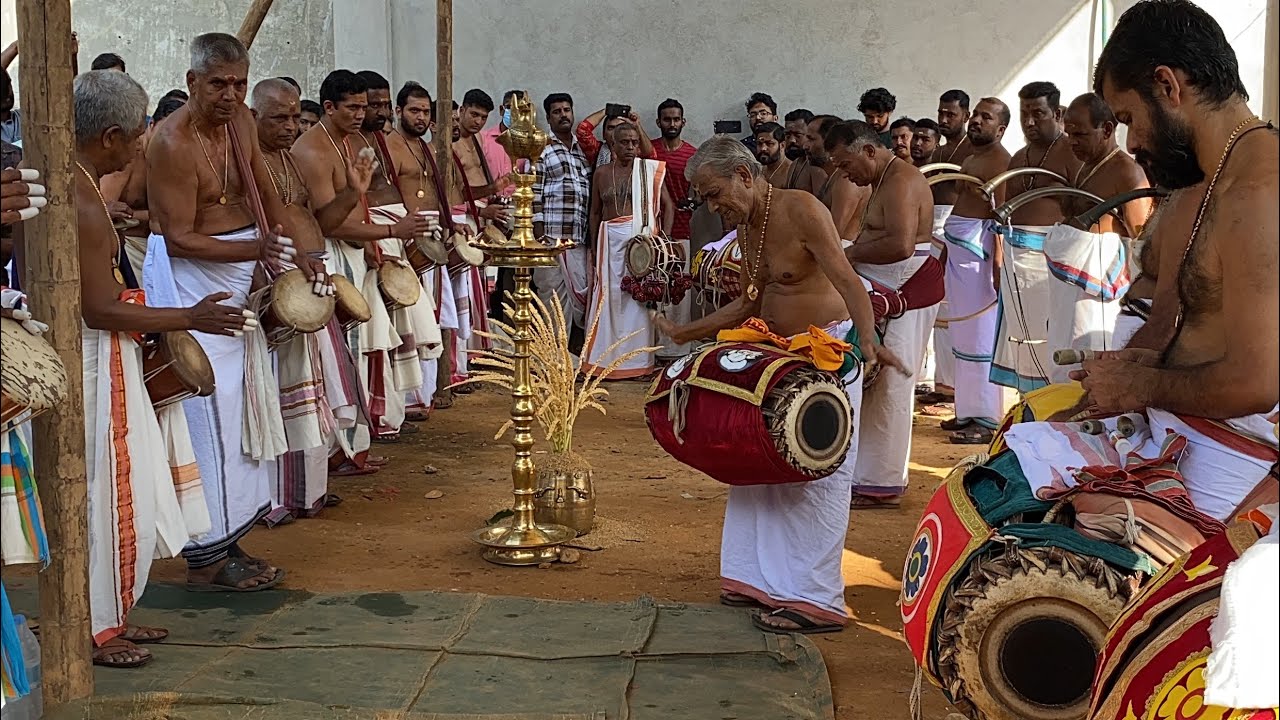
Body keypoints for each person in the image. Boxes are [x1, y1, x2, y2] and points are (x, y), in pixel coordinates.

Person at [1030, 0, 1277, 523]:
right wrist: (1146, 362)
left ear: (1168, 86)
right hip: (1187, 438)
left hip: (1233, 467)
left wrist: (1141, 386)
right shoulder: (1214, 180)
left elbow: (1259, 382)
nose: (1134, 141)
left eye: (1129, 119)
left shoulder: (1259, 191)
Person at [652, 136, 905, 634]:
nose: (712, 206)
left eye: (713, 193)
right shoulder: (748, 223)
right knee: (757, 461)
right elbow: (749, 301)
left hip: (825, 353)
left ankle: (815, 599)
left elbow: (851, 282)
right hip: (774, 354)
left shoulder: (803, 209)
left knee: (817, 474)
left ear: (745, 176)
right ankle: (754, 578)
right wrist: (685, 332)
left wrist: (868, 343)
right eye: (704, 198)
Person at [73, 70, 252, 665]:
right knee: (106, 491)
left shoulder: (84, 187)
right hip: (96, 364)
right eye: (142, 126)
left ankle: (113, 614)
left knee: (126, 488)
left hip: (108, 360)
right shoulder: (80, 197)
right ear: (112, 136)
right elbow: (97, 308)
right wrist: (188, 316)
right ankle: (94, 627)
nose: (147, 136)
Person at [143, 32, 301, 590]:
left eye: (239, 82)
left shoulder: (239, 126)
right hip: (193, 285)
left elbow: (266, 194)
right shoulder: (171, 143)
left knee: (242, 408)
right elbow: (180, 238)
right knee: (205, 412)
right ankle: (205, 554)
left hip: (243, 266)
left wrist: (286, 251)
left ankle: (232, 535)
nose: (231, 94)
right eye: (218, 84)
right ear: (192, 83)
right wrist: (253, 251)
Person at [251, 77, 375, 523]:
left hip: (310, 270)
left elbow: (319, 219)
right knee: (286, 388)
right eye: (279, 118)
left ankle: (308, 491)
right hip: (281, 277)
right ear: (254, 117)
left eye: (292, 116)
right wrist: (295, 264)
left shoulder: (287, 158)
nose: (290, 126)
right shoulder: (247, 163)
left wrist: (353, 193)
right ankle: (276, 498)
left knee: (316, 385)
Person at [292, 70, 410, 471]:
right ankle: (338, 450)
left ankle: (353, 445)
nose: (362, 114)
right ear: (329, 107)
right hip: (328, 257)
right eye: (353, 107)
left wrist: (373, 241)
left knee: (355, 354)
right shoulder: (312, 151)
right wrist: (392, 229)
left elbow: (354, 207)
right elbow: (329, 222)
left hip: (354, 254)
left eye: (365, 106)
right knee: (336, 358)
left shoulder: (346, 141)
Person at [827, 120, 939, 508]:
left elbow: (902, 244)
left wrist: (849, 255)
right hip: (880, 285)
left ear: (869, 151)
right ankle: (866, 475)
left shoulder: (902, 181)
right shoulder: (882, 179)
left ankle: (881, 482)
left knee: (890, 383)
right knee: (870, 382)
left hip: (905, 289)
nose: (844, 173)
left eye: (846, 164)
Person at [1043, 92, 1152, 382]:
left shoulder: (1128, 173)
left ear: (1106, 129)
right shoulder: (1083, 166)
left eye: (1079, 134)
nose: (1072, 141)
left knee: (1088, 364)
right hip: (1069, 291)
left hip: (1099, 297)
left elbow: (1142, 241)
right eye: (1068, 134)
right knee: (1063, 356)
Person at [990, 81, 1083, 394]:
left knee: (1050, 336)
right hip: (1016, 260)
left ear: (1056, 113)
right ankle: (1027, 404)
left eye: (1038, 114)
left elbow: (1080, 211)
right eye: (1024, 114)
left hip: (1050, 263)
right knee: (1020, 338)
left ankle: (1050, 402)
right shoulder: (1018, 157)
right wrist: (999, 259)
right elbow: (1005, 214)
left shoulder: (1072, 153)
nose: (1029, 122)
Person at [940, 97, 1015, 444]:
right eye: (977, 115)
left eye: (987, 117)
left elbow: (1001, 217)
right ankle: (967, 411)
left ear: (1000, 128)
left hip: (980, 260)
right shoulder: (971, 156)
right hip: (960, 255)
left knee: (981, 340)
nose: (977, 121)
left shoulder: (1002, 161)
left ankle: (987, 419)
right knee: (963, 341)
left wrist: (999, 268)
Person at [583, 122, 673, 378]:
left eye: (635, 142)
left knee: (639, 300)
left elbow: (668, 206)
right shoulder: (601, 173)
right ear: (612, 144)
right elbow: (595, 213)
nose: (631, 147)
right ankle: (606, 361)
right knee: (610, 297)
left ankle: (639, 363)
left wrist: (661, 242)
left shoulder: (648, 171)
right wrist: (592, 246)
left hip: (642, 242)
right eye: (625, 142)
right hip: (609, 241)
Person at [387, 80, 450, 419]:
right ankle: (410, 399)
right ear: (399, 111)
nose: (421, 117)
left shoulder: (428, 148)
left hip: (432, 237)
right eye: (414, 110)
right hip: (405, 239)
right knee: (411, 319)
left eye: (426, 111)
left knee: (433, 318)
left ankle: (425, 394)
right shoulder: (390, 147)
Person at [532, 92, 592, 347]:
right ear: (548, 117)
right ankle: (552, 361)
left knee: (578, 300)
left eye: (567, 110)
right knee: (553, 299)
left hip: (577, 240)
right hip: (551, 239)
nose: (563, 115)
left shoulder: (582, 151)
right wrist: (538, 229)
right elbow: (534, 190)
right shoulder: (542, 148)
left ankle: (567, 358)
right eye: (557, 111)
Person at [649, 97, 698, 360]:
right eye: (666, 119)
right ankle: (654, 350)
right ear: (658, 122)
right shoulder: (650, 151)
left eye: (676, 119)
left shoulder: (692, 154)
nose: (671, 123)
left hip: (681, 232)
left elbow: (701, 190)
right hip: (649, 234)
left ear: (683, 122)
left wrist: (695, 202)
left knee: (679, 291)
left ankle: (678, 351)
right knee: (653, 290)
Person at [805, 114, 870, 240]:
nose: (805, 146)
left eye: (811, 139)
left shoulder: (847, 179)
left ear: (829, 142)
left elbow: (833, 234)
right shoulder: (833, 176)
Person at [576, 105, 655, 169]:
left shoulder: (633, 150)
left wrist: (637, 126)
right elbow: (582, 130)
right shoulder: (596, 150)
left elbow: (651, 155)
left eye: (620, 127)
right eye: (611, 128)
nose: (615, 132)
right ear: (604, 134)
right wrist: (606, 110)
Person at [781, 108, 825, 195]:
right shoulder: (795, 163)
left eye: (798, 135)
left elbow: (821, 204)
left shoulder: (815, 166)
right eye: (787, 135)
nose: (792, 140)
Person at [755, 121, 791, 186]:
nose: (763, 148)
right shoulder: (758, 171)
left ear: (782, 145)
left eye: (769, 144)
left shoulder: (792, 172)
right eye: (759, 143)